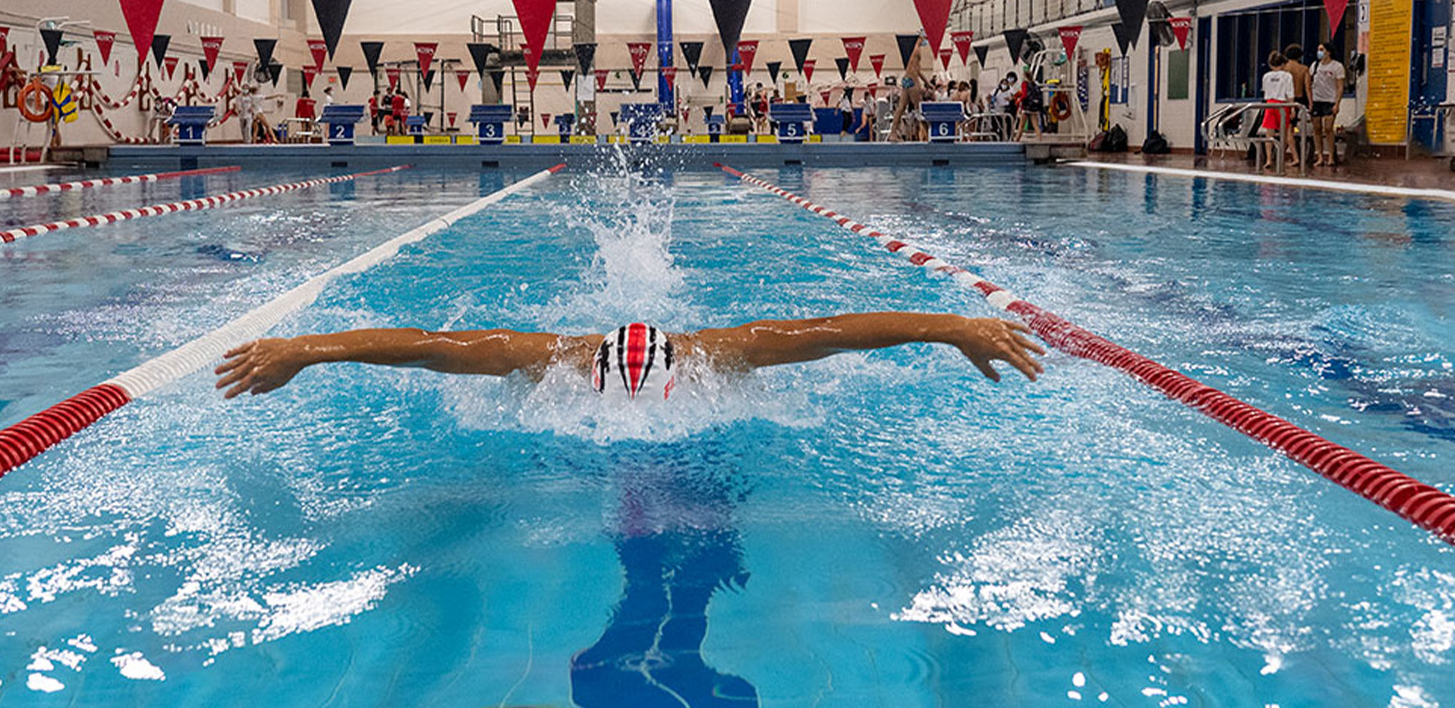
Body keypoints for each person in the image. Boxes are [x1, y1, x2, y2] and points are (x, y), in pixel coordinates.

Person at [215, 313, 1046, 400]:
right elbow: (430, 348)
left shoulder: (723, 356)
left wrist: (951, 326)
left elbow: (830, 332)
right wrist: (304, 350)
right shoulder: (548, 360)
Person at [1310, 41, 1345, 166]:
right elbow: (1309, 84)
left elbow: (1340, 86)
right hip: (1316, 100)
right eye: (1318, 49)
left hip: (1330, 100)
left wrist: (1337, 103)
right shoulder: (1314, 66)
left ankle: (1331, 155)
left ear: (1328, 52)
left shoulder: (1337, 66)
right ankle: (1319, 155)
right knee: (1317, 128)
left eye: (1321, 49)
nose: (1319, 52)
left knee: (1328, 128)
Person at [1261, 50, 1297, 169]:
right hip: (1282, 105)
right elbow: (1290, 93)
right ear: (1282, 64)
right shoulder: (1287, 76)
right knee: (1287, 133)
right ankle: (1295, 157)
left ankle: (1268, 159)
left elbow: (1265, 92)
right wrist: (1292, 108)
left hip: (1269, 105)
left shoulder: (1266, 76)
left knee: (1269, 134)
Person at [890, 37, 927, 141]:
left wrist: (927, 82)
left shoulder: (915, 51)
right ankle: (928, 133)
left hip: (906, 80)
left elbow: (918, 70)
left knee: (901, 108)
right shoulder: (916, 50)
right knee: (919, 109)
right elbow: (915, 69)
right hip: (912, 81)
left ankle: (893, 133)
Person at [1282, 43, 1312, 160]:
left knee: (1288, 129)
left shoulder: (1284, 68)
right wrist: (1310, 102)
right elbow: (1307, 87)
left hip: (1286, 100)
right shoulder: (1304, 69)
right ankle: (1290, 156)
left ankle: (1288, 155)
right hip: (1300, 99)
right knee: (1289, 130)